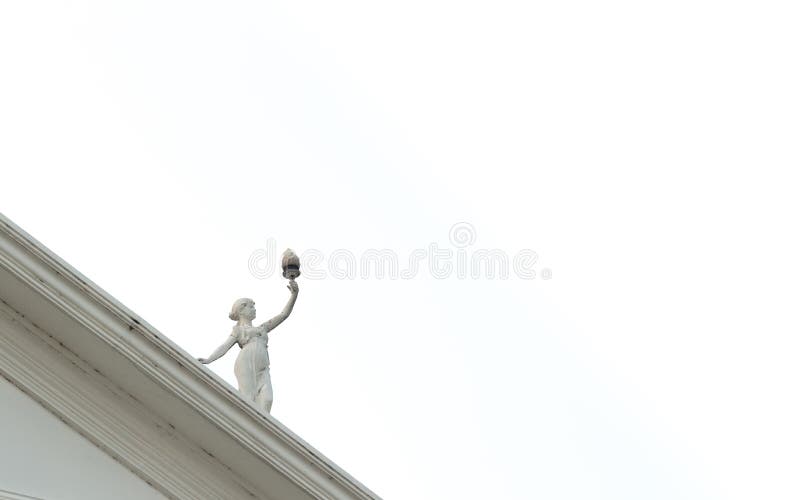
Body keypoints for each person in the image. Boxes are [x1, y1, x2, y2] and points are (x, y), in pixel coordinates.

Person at [198, 280, 299, 414]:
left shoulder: (263, 328)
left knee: (267, 399)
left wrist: (294, 295)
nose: (254, 309)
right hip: (246, 364)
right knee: (248, 399)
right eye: (251, 307)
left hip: (263, 368)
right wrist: (209, 359)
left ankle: (261, 430)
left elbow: (283, 315)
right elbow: (224, 346)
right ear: (241, 310)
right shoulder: (238, 330)